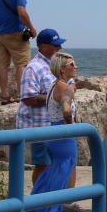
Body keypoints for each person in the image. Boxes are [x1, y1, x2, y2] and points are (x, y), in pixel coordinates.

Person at [24, 51, 78, 212]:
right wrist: (71, 124)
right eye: (71, 64)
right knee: (61, 172)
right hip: (63, 132)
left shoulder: (55, 85)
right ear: (62, 69)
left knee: (53, 172)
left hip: (54, 131)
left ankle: (39, 209)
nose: (75, 67)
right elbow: (67, 110)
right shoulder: (63, 87)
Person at [17, 28, 66, 186]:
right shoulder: (33, 68)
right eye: (55, 45)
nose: (60, 48)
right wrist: (56, 97)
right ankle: (39, 203)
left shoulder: (55, 66)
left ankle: (54, 202)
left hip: (53, 125)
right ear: (43, 46)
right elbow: (29, 98)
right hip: (39, 126)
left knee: (57, 163)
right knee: (43, 165)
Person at [0, 0, 38, 104]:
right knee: (21, 63)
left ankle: (4, 94)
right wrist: (32, 28)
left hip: (0, 34)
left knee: (2, 64)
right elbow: (22, 12)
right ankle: (20, 94)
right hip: (16, 33)